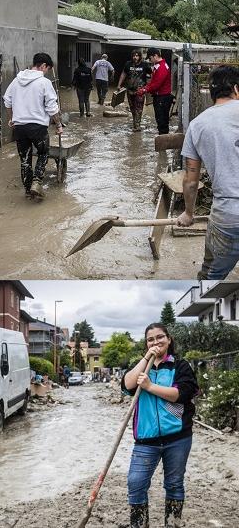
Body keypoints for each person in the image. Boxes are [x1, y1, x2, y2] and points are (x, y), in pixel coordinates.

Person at [121, 323, 198, 528]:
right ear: (146, 344)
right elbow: (127, 385)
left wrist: (149, 386)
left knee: (173, 484)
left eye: (160, 337)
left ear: (169, 339)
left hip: (178, 437)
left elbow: (181, 393)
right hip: (146, 440)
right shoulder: (142, 366)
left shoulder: (179, 366)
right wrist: (146, 358)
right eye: (150, 339)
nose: (156, 342)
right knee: (135, 483)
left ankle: (172, 524)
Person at [177, 65, 239, 279]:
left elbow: (191, 181)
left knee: (210, 280)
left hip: (227, 216)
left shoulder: (198, 125)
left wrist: (189, 213)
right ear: (236, 89)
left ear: (212, 94)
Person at [3, 52, 62, 199]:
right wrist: (59, 125)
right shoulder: (44, 83)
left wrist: (11, 119)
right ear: (43, 66)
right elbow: (52, 108)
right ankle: (37, 182)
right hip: (37, 127)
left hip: (20, 127)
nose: (47, 72)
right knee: (43, 153)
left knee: (25, 159)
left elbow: (7, 101)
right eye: (47, 69)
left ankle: (28, 191)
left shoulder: (16, 81)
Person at [137, 47, 173, 135]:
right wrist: (145, 87)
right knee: (161, 121)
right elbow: (153, 81)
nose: (150, 60)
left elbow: (156, 84)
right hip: (160, 97)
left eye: (150, 58)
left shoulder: (162, 67)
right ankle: (163, 142)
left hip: (162, 98)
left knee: (162, 122)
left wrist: (145, 89)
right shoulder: (158, 65)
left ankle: (163, 144)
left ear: (155, 56)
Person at [117, 50, 153, 132]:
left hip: (140, 91)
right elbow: (123, 74)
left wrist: (150, 86)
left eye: (137, 56)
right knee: (132, 108)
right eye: (134, 56)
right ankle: (135, 123)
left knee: (139, 108)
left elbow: (152, 74)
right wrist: (119, 85)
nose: (135, 57)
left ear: (140, 56)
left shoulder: (144, 65)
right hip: (129, 90)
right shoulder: (128, 64)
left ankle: (137, 126)